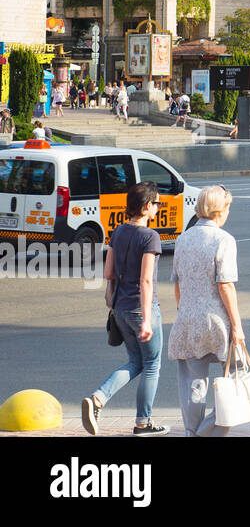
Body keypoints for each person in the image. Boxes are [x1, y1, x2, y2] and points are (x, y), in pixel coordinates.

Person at [82, 182, 169, 436]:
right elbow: (145, 280)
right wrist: (145, 321)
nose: (158, 207)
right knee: (152, 364)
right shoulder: (150, 237)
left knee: (135, 361)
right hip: (142, 310)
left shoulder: (118, 231)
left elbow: (108, 272)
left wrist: (110, 295)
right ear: (146, 206)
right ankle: (143, 423)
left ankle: (98, 398)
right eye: (157, 203)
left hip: (120, 308)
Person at [169, 184, 245, 436]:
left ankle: (192, 432)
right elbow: (225, 286)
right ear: (220, 211)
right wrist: (237, 326)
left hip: (188, 319)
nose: (229, 212)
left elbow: (177, 281)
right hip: (218, 321)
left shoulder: (182, 239)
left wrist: (184, 310)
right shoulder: (224, 240)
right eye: (228, 207)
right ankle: (209, 430)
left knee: (193, 381)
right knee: (237, 378)